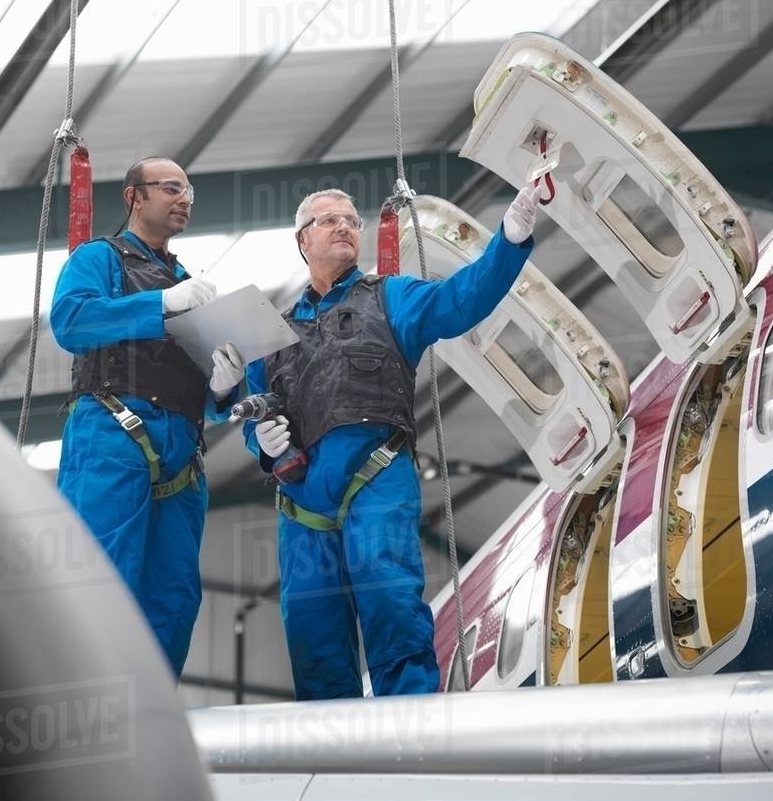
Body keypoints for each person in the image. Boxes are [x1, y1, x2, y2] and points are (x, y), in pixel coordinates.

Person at [240, 184, 541, 700]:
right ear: (301, 240)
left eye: (351, 221)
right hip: (301, 504)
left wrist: (511, 238)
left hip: (374, 478)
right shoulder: (271, 334)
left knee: (391, 602)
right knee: (312, 632)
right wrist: (261, 442)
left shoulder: (390, 299)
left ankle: (413, 741)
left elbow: (459, 299)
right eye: (329, 220)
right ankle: (329, 762)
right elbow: (250, 411)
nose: (344, 227)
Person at [51, 156, 244, 678]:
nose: (185, 198)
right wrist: (161, 303)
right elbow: (70, 320)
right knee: (104, 579)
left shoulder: (188, 282)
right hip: (113, 432)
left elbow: (194, 384)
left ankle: (151, 721)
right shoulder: (100, 258)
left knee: (175, 598)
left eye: (190, 192)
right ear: (134, 196)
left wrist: (222, 388)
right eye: (172, 188)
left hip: (183, 451)